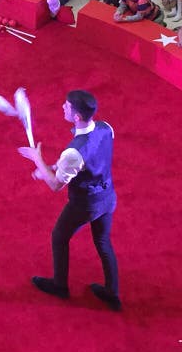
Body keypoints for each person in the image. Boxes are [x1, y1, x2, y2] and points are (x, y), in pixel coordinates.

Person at [17, 90, 121, 311]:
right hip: (109, 197)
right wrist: (51, 167)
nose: (62, 107)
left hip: (86, 204)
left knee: (59, 237)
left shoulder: (72, 153)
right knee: (103, 242)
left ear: (77, 117)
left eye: (66, 106)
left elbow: (56, 185)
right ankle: (113, 292)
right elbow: (83, 163)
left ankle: (60, 285)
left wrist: (38, 160)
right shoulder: (106, 127)